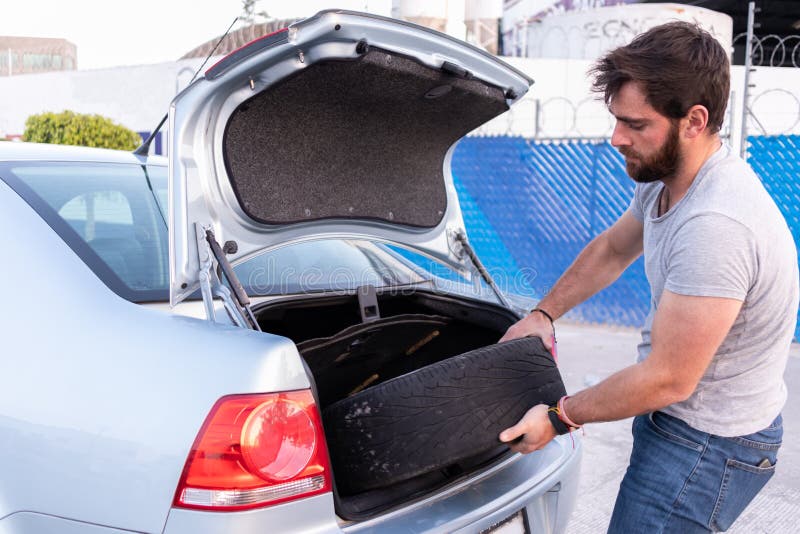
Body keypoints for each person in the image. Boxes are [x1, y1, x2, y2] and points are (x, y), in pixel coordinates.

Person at [498, 21, 799, 533]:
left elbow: (668, 378)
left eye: (636, 124)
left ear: (694, 120)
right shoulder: (667, 179)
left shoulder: (716, 224)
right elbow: (613, 250)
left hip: (708, 446)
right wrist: (542, 314)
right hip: (683, 423)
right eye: (617, 119)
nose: (617, 138)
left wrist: (558, 417)